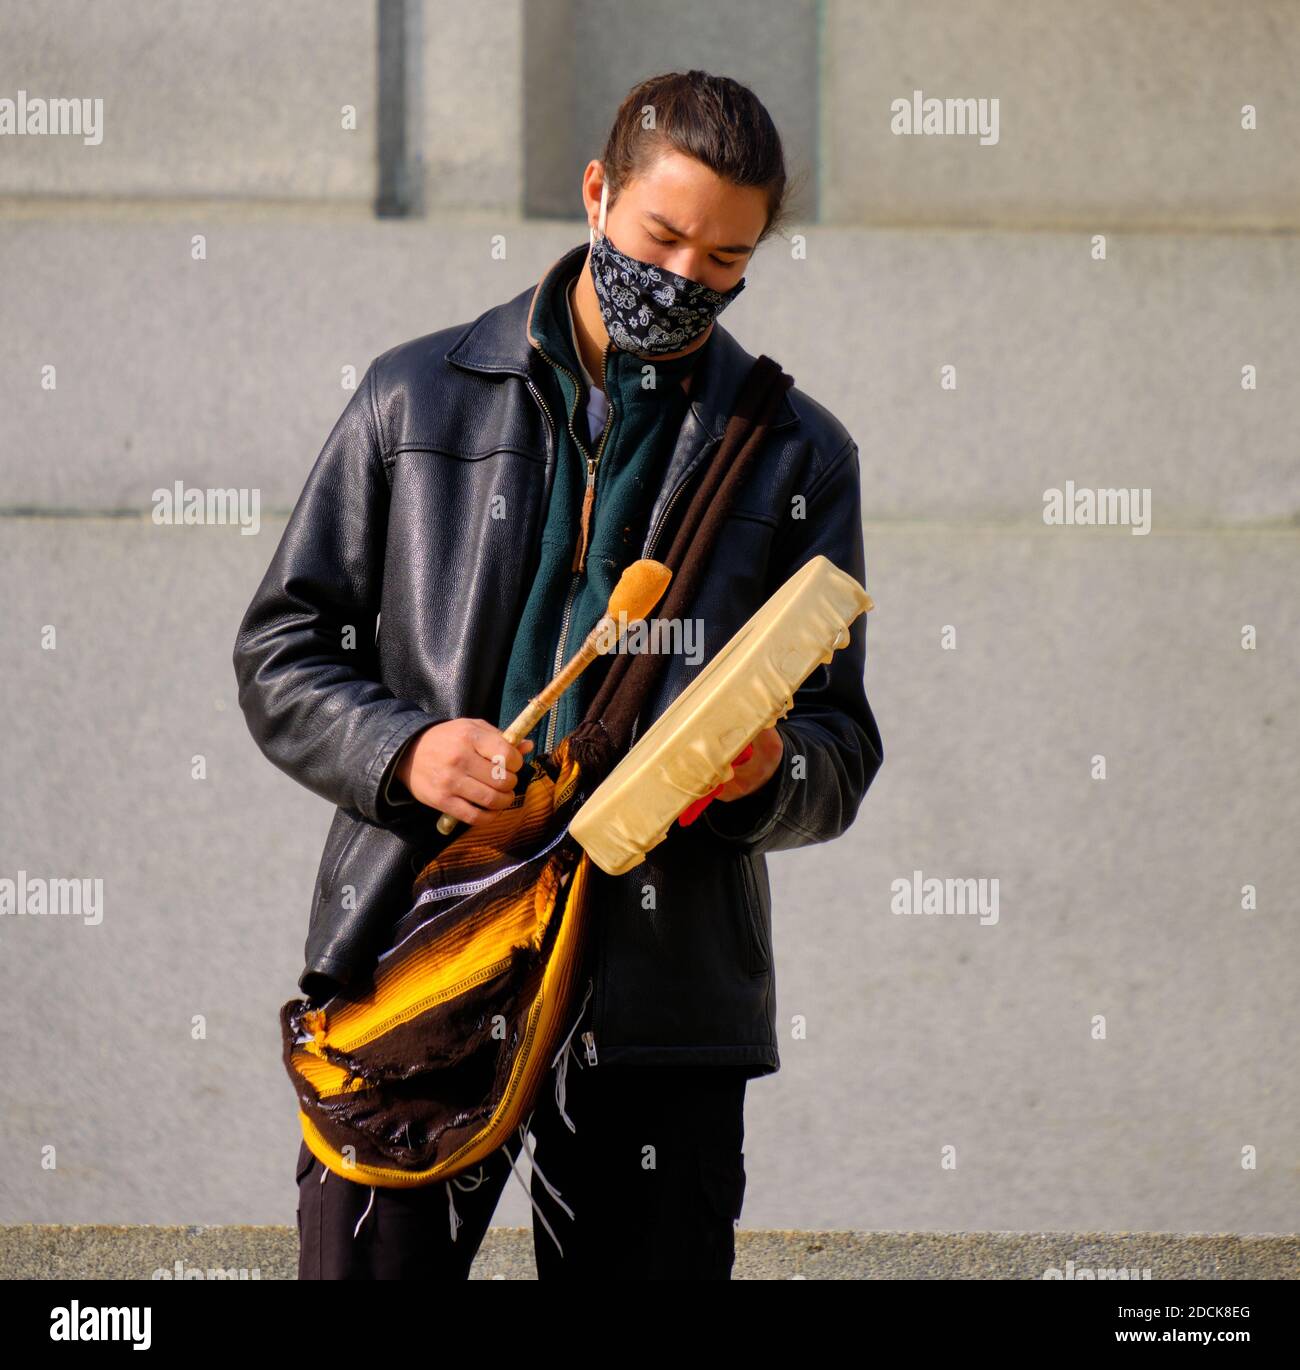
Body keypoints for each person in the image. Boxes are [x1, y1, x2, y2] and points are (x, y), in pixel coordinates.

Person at [234, 69, 883, 1280]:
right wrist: (404, 751)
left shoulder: (800, 449)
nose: (686, 277)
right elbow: (281, 648)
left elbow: (840, 749)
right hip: (419, 949)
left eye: (727, 257)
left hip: (661, 998)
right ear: (597, 193)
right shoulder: (412, 392)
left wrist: (758, 773)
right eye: (662, 236)